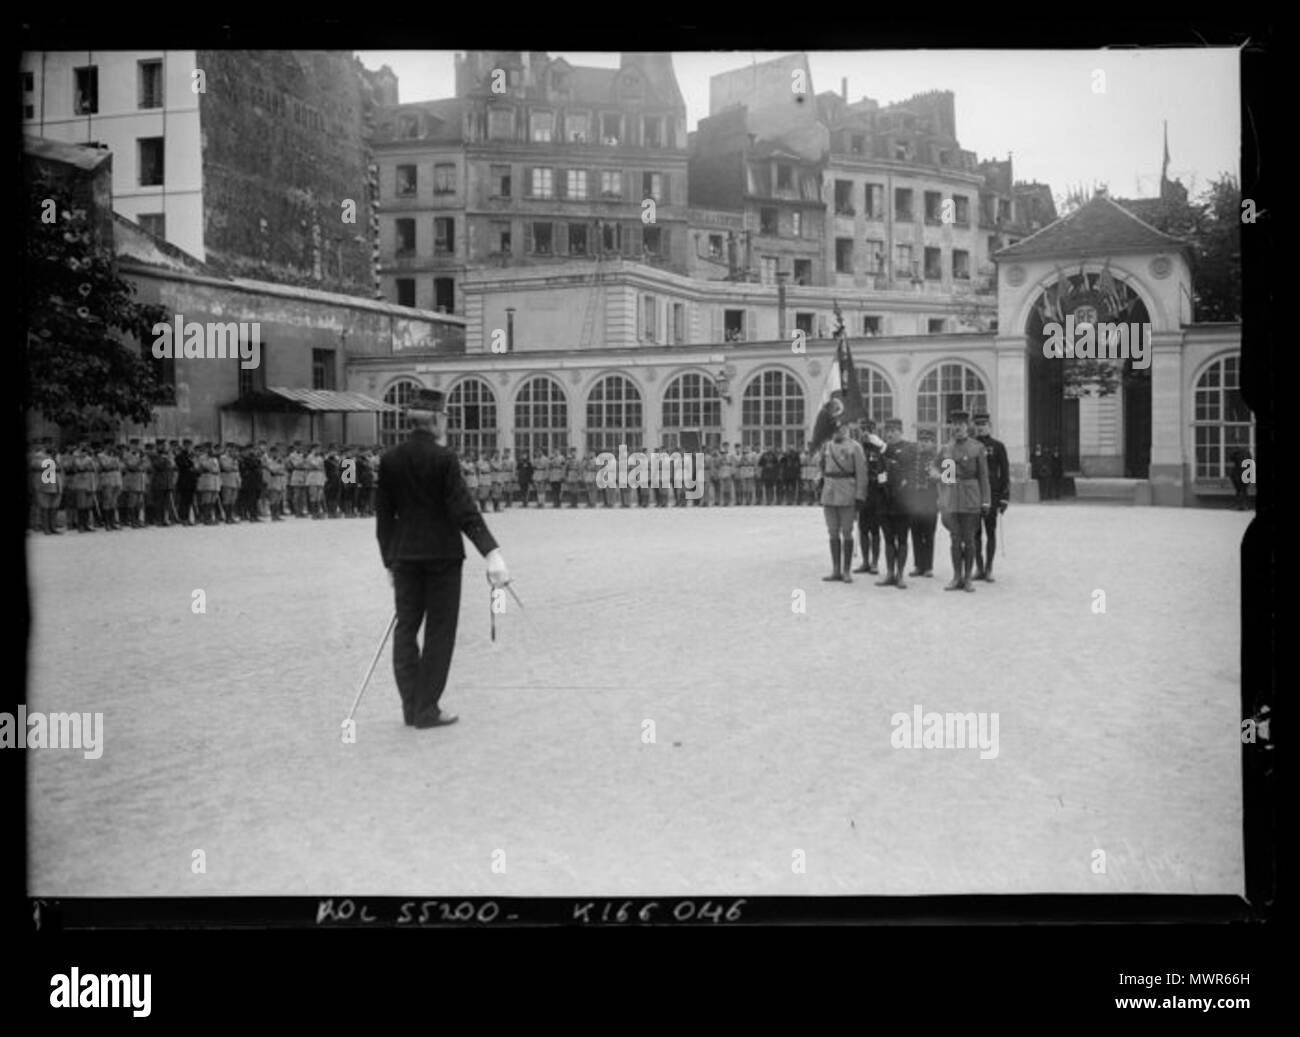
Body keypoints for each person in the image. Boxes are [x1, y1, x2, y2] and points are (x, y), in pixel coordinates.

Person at [377, 388, 509, 730]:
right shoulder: (444, 459)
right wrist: (491, 552)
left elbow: (383, 519)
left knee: (406, 629)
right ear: (435, 420)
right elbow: (464, 510)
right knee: (439, 631)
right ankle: (427, 708)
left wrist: (389, 561)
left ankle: (411, 707)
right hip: (442, 557)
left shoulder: (389, 460)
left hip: (404, 556)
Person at [936, 411, 990, 592]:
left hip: (971, 498)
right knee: (954, 539)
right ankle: (956, 576)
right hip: (952, 499)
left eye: (961, 425)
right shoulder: (947, 449)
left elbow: (983, 477)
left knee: (969, 539)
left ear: (967, 427)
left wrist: (986, 501)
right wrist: (937, 475)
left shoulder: (977, 447)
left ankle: (968, 578)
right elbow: (942, 474)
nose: (958, 428)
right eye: (954, 425)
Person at [818, 417, 868, 582]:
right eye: (835, 428)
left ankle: (846, 571)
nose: (838, 431)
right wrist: (819, 480)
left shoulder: (855, 447)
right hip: (829, 494)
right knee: (832, 532)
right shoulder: (826, 446)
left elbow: (862, 474)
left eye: (841, 428)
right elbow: (822, 468)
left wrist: (860, 496)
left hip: (847, 493)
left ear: (846, 428)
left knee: (847, 532)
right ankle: (836, 570)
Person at [876, 418, 917, 589]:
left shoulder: (910, 448)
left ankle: (900, 574)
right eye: (888, 431)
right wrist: (882, 483)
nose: (890, 434)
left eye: (894, 430)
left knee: (901, 539)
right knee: (888, 539)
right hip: (885, 502)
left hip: (903, 502)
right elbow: (879, 471)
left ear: (901, 431)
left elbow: (914, 472)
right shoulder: (882, 450)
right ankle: (890, 573)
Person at [971, 413, 1010, 582]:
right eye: (978, 424)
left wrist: (1004, 497)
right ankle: (978, 568)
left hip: (992, 495)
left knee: (990, 532)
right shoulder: (970, 445)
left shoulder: (998, 446)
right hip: (973, 494)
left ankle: (989, 568)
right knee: (975, 534)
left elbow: (1005, 472)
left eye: (984, 424)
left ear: (990, 426)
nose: (980, 427)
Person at [853, 420, 886, 575]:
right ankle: (865, 562)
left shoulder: (880, 448)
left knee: (875, 530)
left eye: (868, 429)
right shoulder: (856, 448)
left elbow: (884, 468)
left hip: (876, 493)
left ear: (873, 431)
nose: (865, 433)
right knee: (863, 529)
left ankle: (874, 563)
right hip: (862, 493)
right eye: (863, 429)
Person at [908, 428, 939, 578]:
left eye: (927, 441)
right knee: (915, 533)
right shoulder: (913, 457)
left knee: (929, 534)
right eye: (921, 441)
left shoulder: (941, 457)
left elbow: (950, 479)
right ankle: (918, 565)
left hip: (931, 500)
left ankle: (928, 566)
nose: (923, 444)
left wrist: (938, 476)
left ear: (933, 443)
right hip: (915, 500)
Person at [96, 441, 122, 530]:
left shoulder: (115, 455)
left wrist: (115, 459)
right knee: (107, 500)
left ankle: (112, 522)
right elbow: (106, 466)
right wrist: (113, 460)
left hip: (116, 479)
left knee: (114, 502)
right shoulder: (101, 455)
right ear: (106, 445)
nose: (112, 447)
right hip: (107, 479)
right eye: (110, 445)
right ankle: (107, 523)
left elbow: (119, 467)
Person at [175, 438, 197, 525]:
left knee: (189, 501)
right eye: (187, 446)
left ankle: (187, 518)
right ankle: (183, 518)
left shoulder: (190, 456)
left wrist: (192, 466)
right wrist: (191, 466)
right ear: (184, 446)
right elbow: (184, 466)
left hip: (191, 482)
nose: (189, 447)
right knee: (183, 501)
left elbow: (194, 467)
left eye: (190, 446)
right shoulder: (180, 456)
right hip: (184, 482)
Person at [219, 442, 242, 524]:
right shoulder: (223, 457)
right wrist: (233, 462)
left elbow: (237, 470)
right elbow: (226, 467)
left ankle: (231, 516)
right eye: (231, 448)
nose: (233, 450)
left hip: (235, 480)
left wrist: (239, 481)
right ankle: (227, 517)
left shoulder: (235, 458)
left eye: (234, 448)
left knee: (233, 500)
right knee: (227, 499)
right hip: (227, 481)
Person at [324, 443, 342, 518]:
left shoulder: (337, 459)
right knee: (329, 496)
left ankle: (334, 511)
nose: (335, 452)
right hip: (329, 479)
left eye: (336, 450)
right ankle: (330, 512)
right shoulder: (326, 459)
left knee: (336, 495)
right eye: (333, 450)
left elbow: (339, 468)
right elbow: (324, 470)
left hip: (337, 479)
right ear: (329, 450)